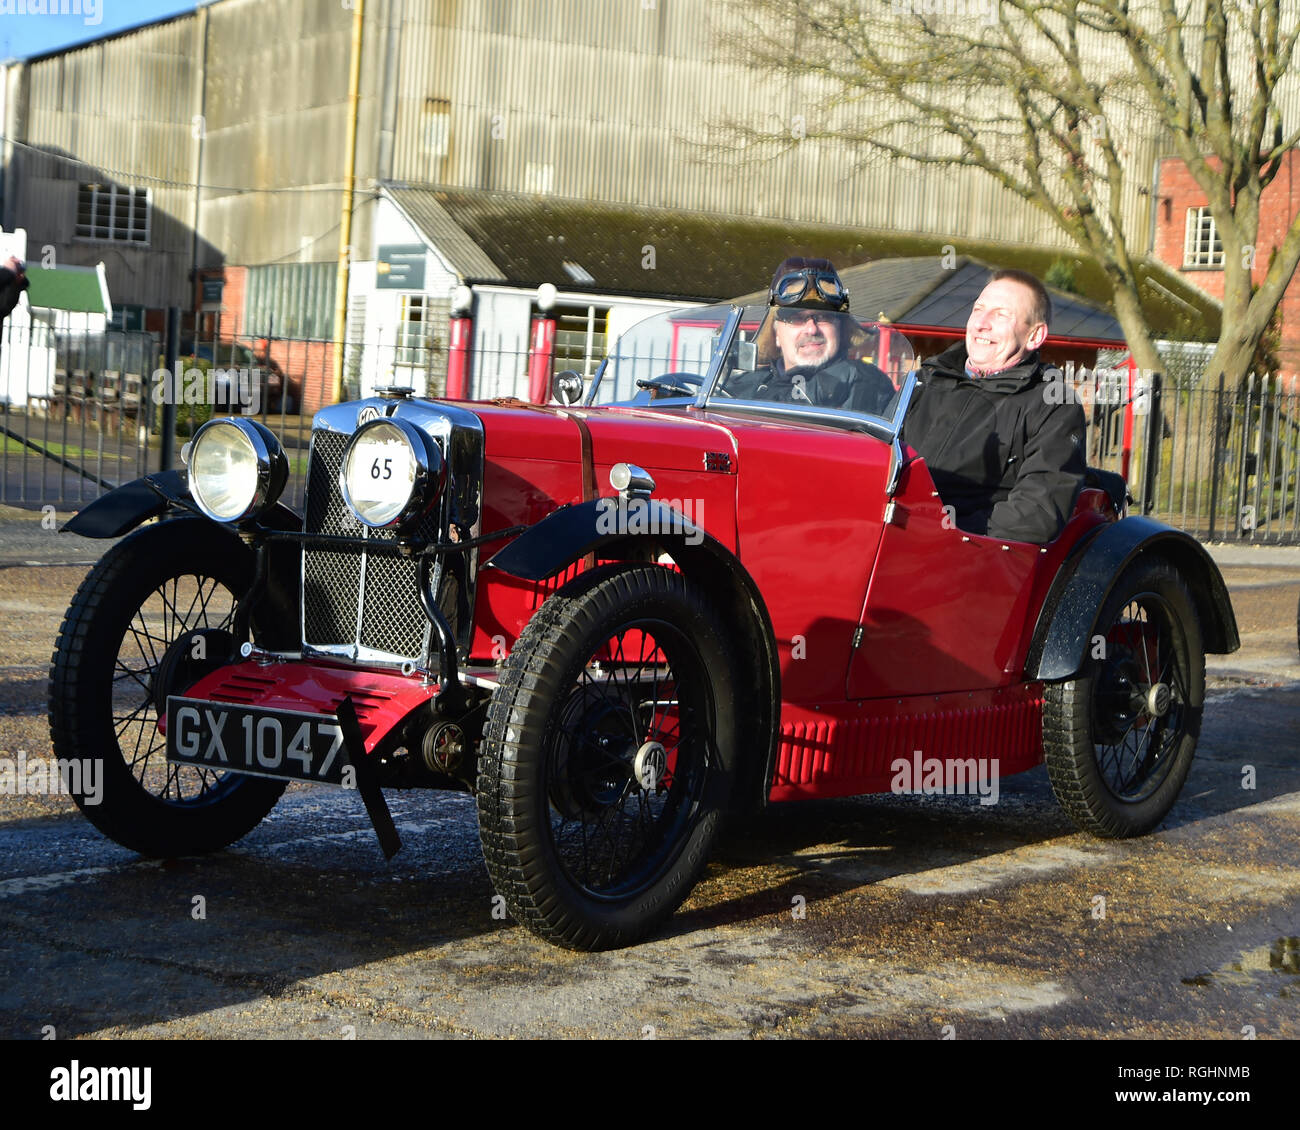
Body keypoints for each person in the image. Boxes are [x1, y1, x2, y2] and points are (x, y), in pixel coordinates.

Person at [901, 268, 1086, 544]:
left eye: (1001, 315)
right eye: (978, 309)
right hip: (890, 534)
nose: (980, 324)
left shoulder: (1054, 406)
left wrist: (946, 531)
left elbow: (1037, 511)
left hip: (968, 554)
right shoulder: (921, 382)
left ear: (1034, 336)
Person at [725, 257, 896, 416]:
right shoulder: (740, 390)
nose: (811, 329)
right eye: (796, 318)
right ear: (775, 333)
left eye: (823, 317)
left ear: (841, 328)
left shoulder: (866, 385)